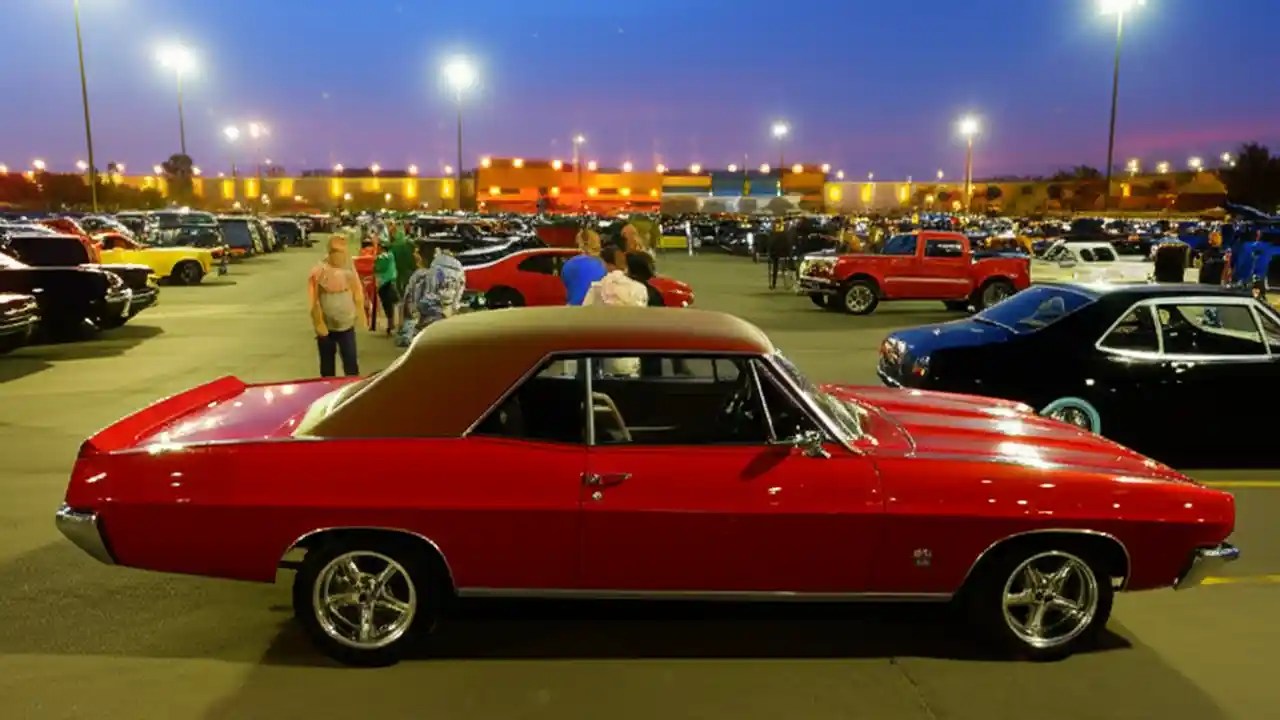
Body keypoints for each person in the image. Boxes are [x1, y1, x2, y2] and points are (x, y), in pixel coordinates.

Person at [585, 246, 649, 376]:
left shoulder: (597, 288)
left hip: (606, 352)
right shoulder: (640, 288)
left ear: (606, 264)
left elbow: (584, 315)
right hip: (632, 352)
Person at [309, 243, 366, 377]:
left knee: (351, 363)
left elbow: (357, 293)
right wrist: (318, 322)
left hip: (347, 324)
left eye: (341, 251)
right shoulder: (319, 271)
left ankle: (352, 391)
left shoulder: (349, 270)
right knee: (327, 367)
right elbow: (314, 299)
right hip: (326, 326)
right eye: (335, 251)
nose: (338, 255)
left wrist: (361, 313)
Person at [396, 245, 466, 347]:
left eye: (416, 252)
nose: (414, 254)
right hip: (444, 317)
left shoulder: (420, 276)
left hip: (425, 325)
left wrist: (407, 333)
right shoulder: (456, 270)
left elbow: (412, 306)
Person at [561, 227, 607, 305]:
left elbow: (565, 290)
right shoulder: (603, 265)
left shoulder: (569, 264)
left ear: (578, 243)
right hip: (597, 310)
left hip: (573, 311)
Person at [372, 240, 398, 334]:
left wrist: (374, 265)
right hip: (392, 281)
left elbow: (377, 268)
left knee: (387, 305)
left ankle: (390, 324)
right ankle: (391, 324)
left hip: (384, 283)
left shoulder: (382, 257)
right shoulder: (391, 256)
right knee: (391, 304)